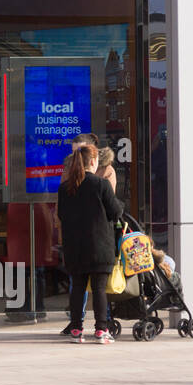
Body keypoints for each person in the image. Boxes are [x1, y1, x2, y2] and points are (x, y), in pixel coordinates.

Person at [57, 145, 123, 343]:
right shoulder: (101, 185)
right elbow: (115, 211)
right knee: (99, 289)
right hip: (99, 246)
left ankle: (76, 329)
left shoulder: (65, 187)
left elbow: (61, 214)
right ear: (94, 162)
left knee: (78, 288)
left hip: (74, 247)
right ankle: (101, 330)